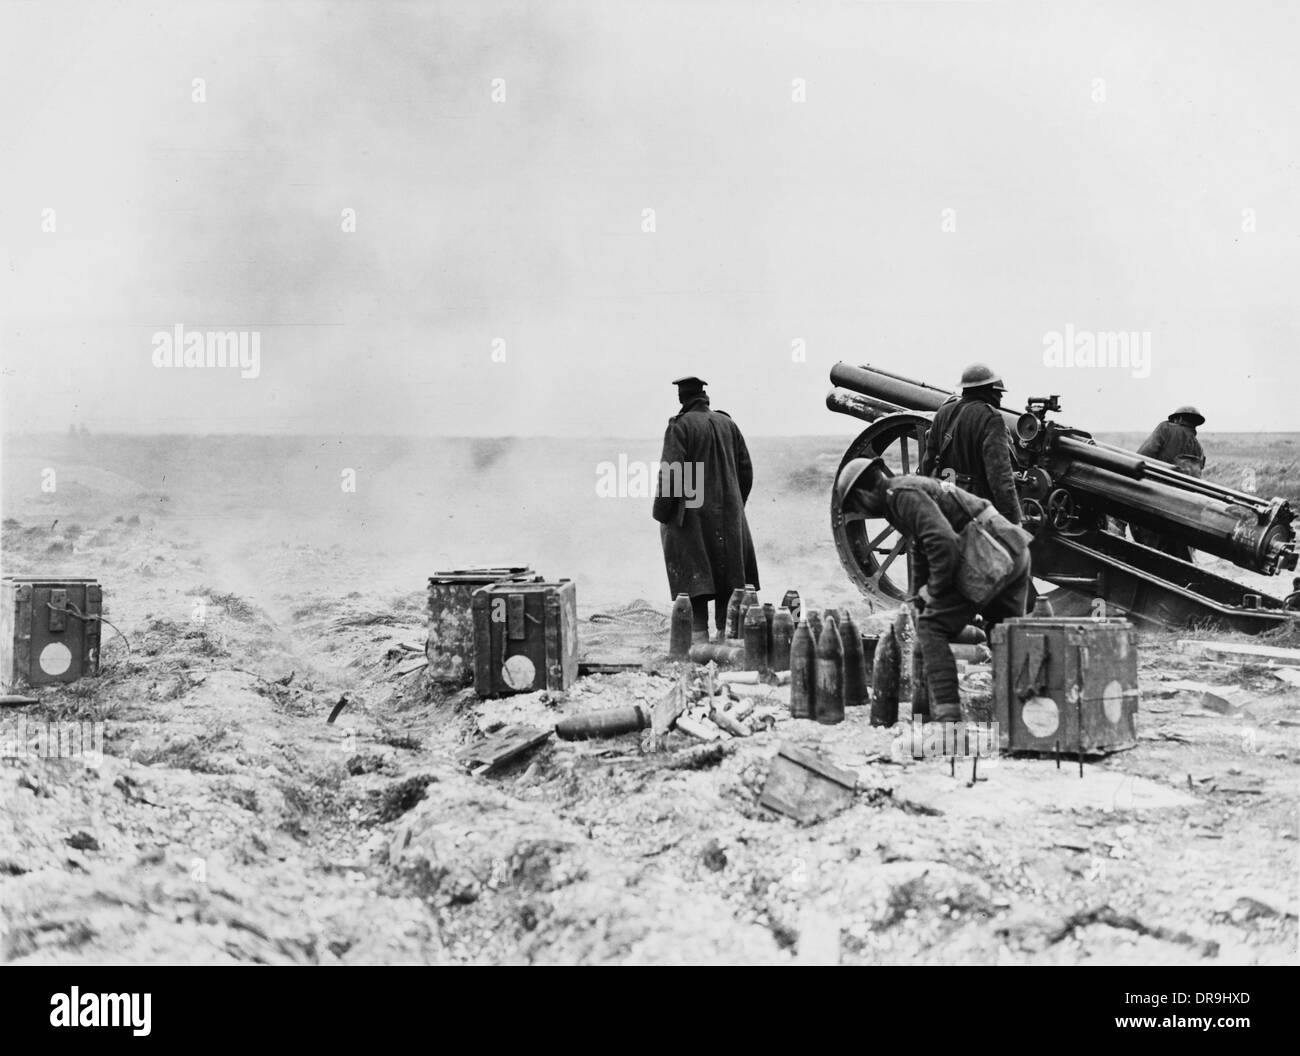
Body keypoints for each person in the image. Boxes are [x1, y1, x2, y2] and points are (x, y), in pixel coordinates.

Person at [834, 457, 1031, 723]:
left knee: (931, 627)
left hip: (990, 553)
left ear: (864, 494)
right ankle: (1022, 714)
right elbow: (921, 546)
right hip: (1012, 548)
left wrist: (932, 593)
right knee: (1004, 632)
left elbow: (943, 542)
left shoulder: (901, 496)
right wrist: (916, 597)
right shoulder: (904, 491)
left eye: (857, 506)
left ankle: (947, 719)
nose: (864, 513)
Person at [652, 376, 759, 639]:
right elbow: (746, 471)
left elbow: (671, 475)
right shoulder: (728, 424)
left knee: (694, 581)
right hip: (729, 517)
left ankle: (699, 640)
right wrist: (734, 506)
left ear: (682, 398)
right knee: (730, 579)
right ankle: (728, 637)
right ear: (704, 395)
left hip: (692, 516)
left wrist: (662, 513)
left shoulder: (680, 426)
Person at [921, 363, 1022, 525]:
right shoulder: (991, 418)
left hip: (946, 497)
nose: (1001, 397)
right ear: (986, 390)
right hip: (976, 505)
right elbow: (1000, 475)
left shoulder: (944, 412)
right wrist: (1013, 518)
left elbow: (929, 460)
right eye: (997, 392)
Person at [1131, 406, 1207, 561]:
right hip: (1182, 507)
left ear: (1178, 418)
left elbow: (1141, 458)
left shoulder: (1165, 428)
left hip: (1154, 499)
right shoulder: (1198, 448)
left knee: (1148, 550)